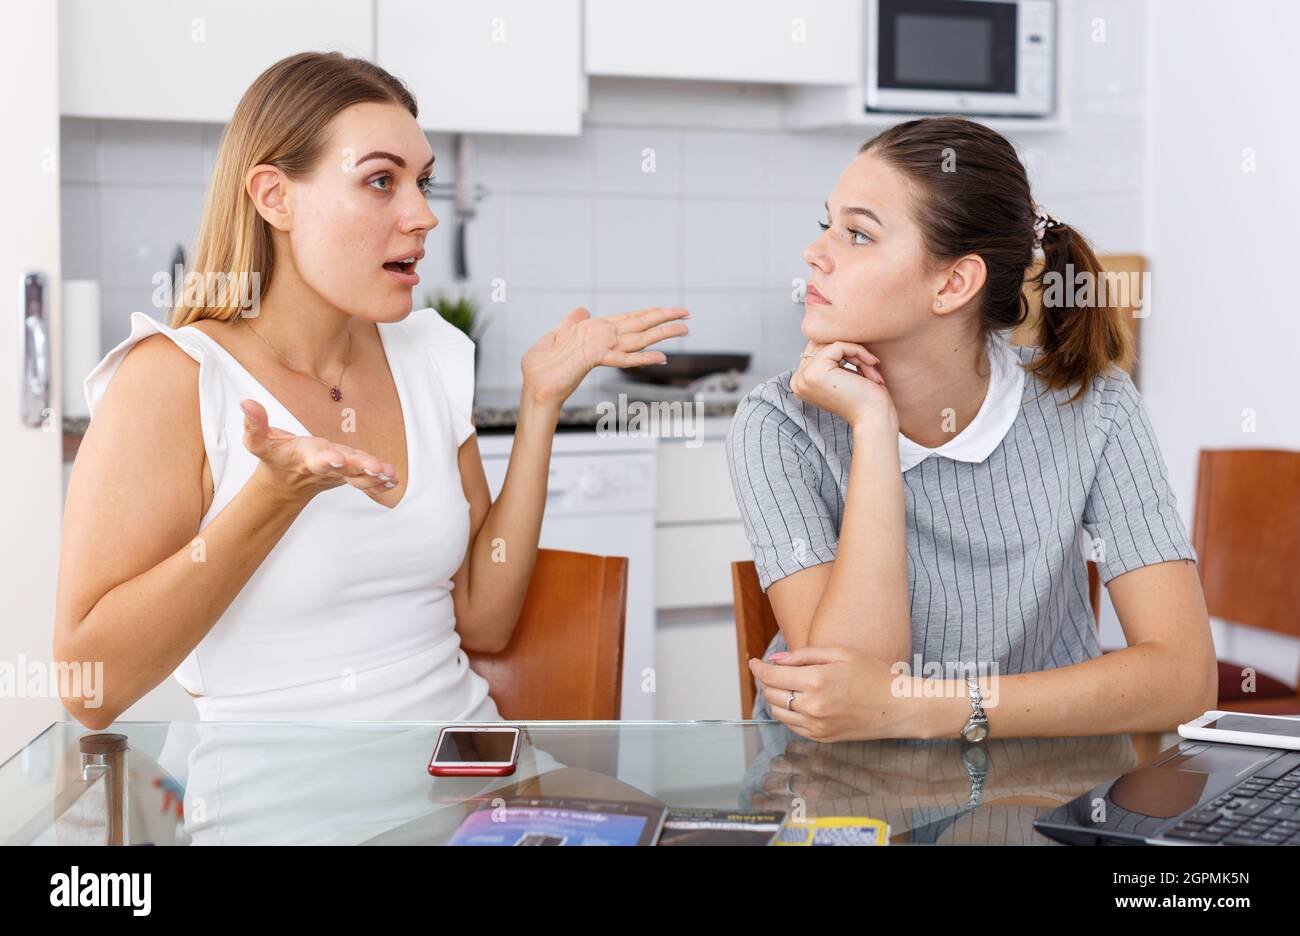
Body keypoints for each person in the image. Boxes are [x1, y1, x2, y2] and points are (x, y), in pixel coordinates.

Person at [55, 51, 687, 726]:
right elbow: (92, 692)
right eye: (381, 181)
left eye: (423, 182)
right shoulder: (172, 376)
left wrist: (539, 406)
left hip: (472, 784)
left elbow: (484, 621)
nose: (422, 216)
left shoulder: (430, 352)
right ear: (275, 197)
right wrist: (271, 499)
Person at [728, 116, 1216, 743]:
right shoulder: (781, 423)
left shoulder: (1097, 408)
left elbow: (1184, 677)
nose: (815, 252)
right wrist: (874, 429)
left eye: (857, 233)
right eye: (828, 225)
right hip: (841, 804)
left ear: (954, 283)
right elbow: (853, 702)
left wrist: (928, 708)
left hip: (1036, 793)